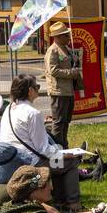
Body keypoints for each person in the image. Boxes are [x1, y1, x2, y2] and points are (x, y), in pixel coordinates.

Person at [0, 74, 102, 213]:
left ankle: (60, 201)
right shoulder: (32, 113)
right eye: (37, 87)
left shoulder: (9, 109)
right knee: (70, 163)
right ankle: (74, 205)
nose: (38, 89)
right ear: (30, 91)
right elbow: (44, 150)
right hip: (31, 163)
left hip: (13, 160)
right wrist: (65, 155)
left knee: (59, 162)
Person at [43, 20, 81, 148]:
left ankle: (64, 146)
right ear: (57, 37)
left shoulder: (67, 49)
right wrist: (71, 72)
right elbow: (53, 70)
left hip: (68, 90)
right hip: (58, 91)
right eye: (65, 35)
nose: (68, 37)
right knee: (58, 122)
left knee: (66, 121)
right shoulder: (52, 51)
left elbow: (70, 64)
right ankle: (57, 149)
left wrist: (75, 61)